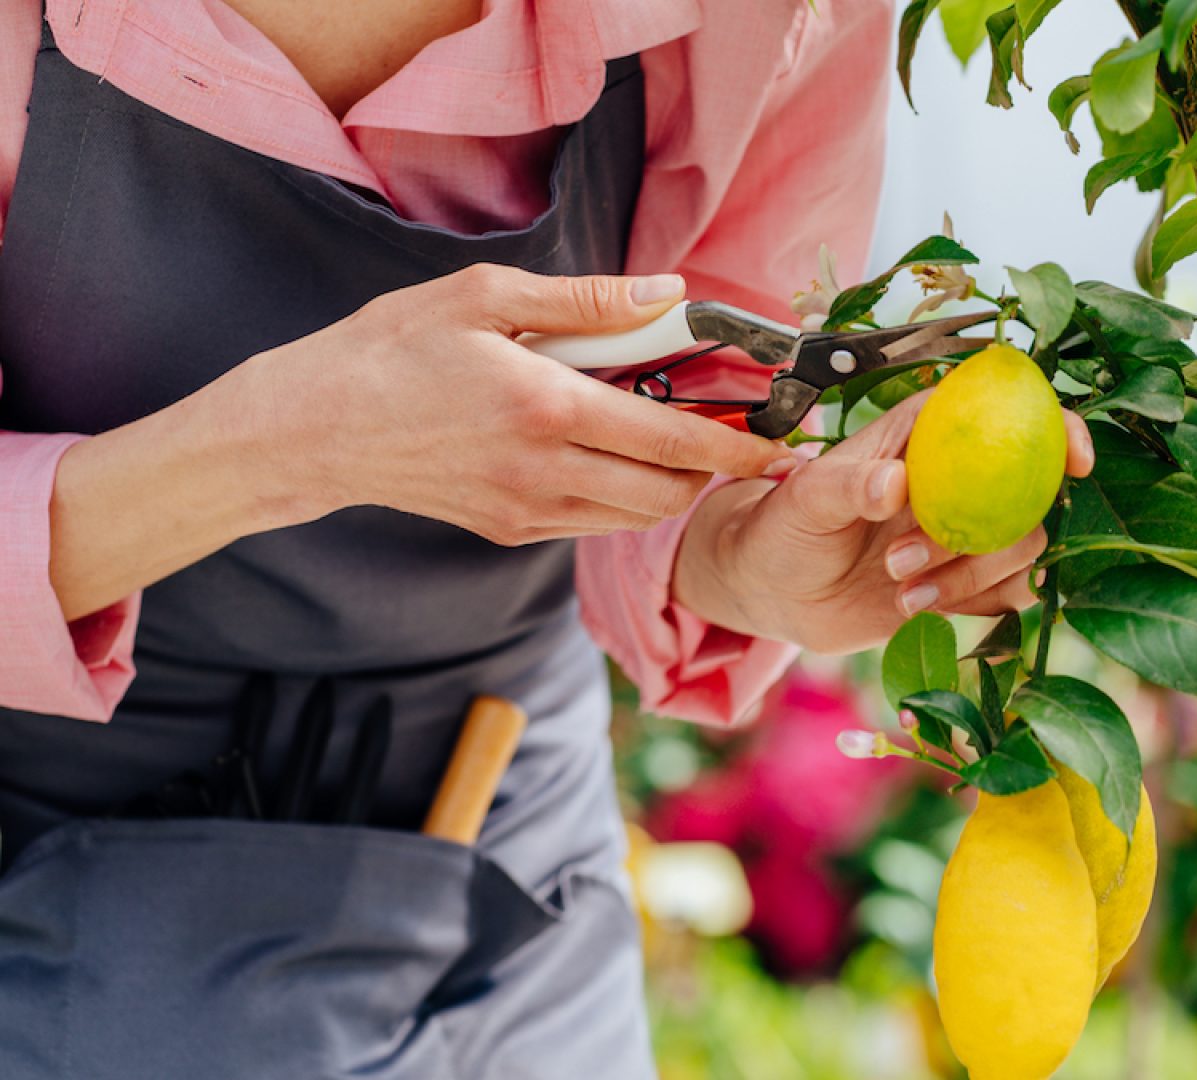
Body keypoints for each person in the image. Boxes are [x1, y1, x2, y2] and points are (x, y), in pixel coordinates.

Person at [0, 1, 1092, 1076]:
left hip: (501, 842)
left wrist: (748, 558)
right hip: (51, 839)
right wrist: (296, 445)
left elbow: (711, 404)